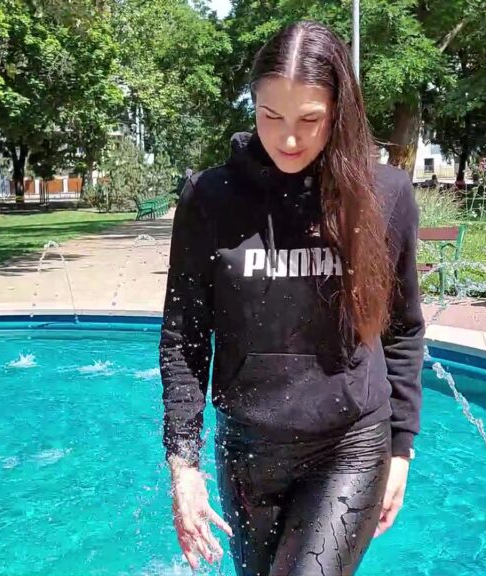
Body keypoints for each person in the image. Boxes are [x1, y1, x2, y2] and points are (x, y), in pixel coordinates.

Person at [160, 21, 424, 576]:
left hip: (349, 445)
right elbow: (184, 337)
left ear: (339, 111)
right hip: (249, 450)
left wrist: (401, 446)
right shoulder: (210, 199)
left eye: (310, 120)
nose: (287, 139)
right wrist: (184, 466)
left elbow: (402, 327)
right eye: (269, 116)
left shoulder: (385, 197)